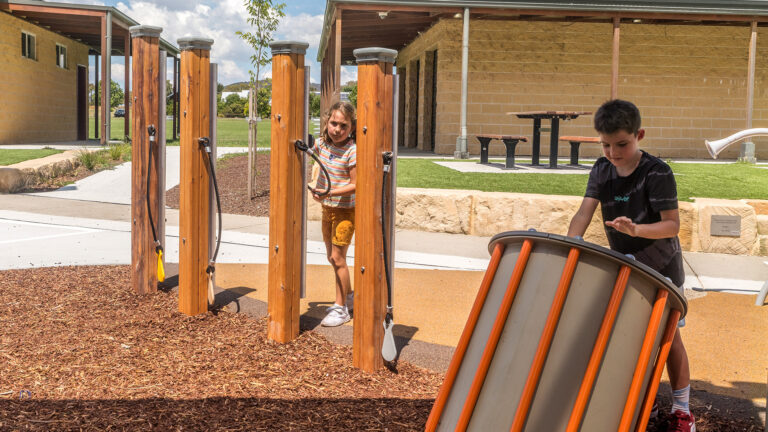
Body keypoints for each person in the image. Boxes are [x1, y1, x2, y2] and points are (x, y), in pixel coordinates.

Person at [567, 99, 695, 431]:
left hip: (663, 270)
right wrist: (572, 245)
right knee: (631, 337)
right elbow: (583, 213)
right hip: (627, 268)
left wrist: (636, 230)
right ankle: (646, 403)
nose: (613, 152)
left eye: (621, 144)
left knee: (668, 340)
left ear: (639, 135)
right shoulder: (601, 169)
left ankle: (682, 411)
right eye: (606, 145)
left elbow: (672, 226)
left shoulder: (657, 172)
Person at [312, 101, 357, 327]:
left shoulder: (352, 150)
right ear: (326, 122)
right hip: (328, 208)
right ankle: (348, 296)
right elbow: (307, 149)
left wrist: (328, 191)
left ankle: (341, 309)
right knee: (331, 257)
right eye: (333, 123)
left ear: (352, 127)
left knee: (338, 258)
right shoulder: (322, 144)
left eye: (343, 125)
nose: (337, 129)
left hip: (345, 211)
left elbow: (355, 184)